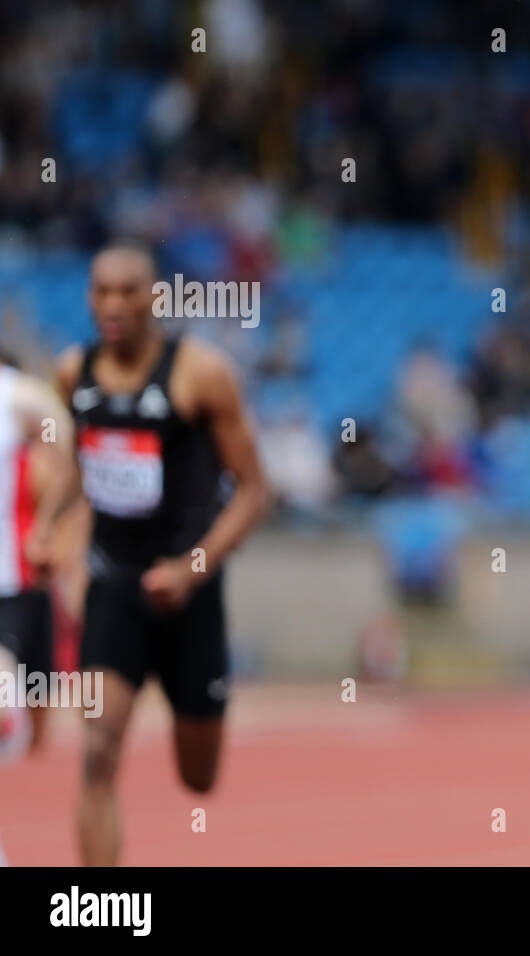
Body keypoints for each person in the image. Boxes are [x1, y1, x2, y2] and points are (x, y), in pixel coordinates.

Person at [54, 241, 271, 866]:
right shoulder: (74, 372)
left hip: (190, 595)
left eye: (128, 290)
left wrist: (192, 568)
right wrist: (52, 531)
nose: (114, 303)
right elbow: (80, 464)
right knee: (96, 751)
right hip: (114, 589)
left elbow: (256, 492)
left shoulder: (201, 374)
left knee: (198, 776)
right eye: (101, 290)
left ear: (157, 297)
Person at [0, 350, 77, 759]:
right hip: (20, 572)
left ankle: (26, 748)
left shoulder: (17, 397)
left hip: (23, 570)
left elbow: (66, 454)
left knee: (38, 684)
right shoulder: (21, 397)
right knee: (16, 673)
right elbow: (68, 445)